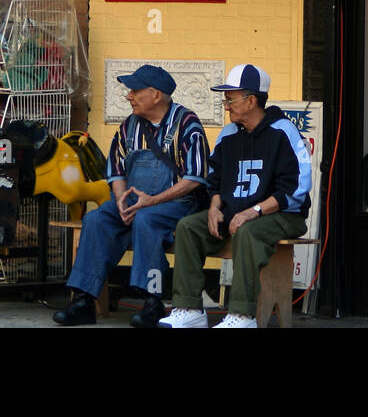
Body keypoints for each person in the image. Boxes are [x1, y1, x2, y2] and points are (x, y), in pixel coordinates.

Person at [53, 63, 209, 328]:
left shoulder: (187, 123)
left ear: (156, 95)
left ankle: (152, 301)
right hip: (135, 202)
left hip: (176, 203)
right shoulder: (129, 126)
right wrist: (122, 200)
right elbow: (116, 169)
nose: (128, 96)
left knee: (148, 220)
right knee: (96, 220)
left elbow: (195, 178)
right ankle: (83, 300)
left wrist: (152, 201)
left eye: (135, 91)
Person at [159, 64, 311, 328]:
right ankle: (189, 309)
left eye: (230, 99)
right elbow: (214, 177)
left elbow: (296, 187)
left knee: (248, 231)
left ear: (251, 100)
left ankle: (242, 315)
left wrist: (254, 211)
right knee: (187, 227)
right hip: (234, 213)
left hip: (282, 214)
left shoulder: (283, 131)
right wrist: (215, 206)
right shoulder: (229, 134)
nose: (226, 105)